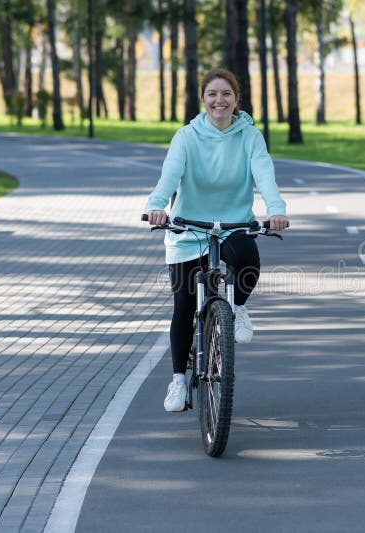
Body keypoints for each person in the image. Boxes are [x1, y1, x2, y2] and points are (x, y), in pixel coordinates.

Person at [144, 68, 289, 412]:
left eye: (226, 94)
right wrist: (156, 206)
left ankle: (237, 308)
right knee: (182, 306)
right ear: (203, 100)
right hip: (187, 227)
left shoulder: (250, 137)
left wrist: (276, 209)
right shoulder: (186, 136)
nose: (219, 100)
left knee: (247, 257)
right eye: (212, 94)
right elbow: (170, 174)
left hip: (232, 223)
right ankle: (178, 380)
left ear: (237, 100)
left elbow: (264, 173)